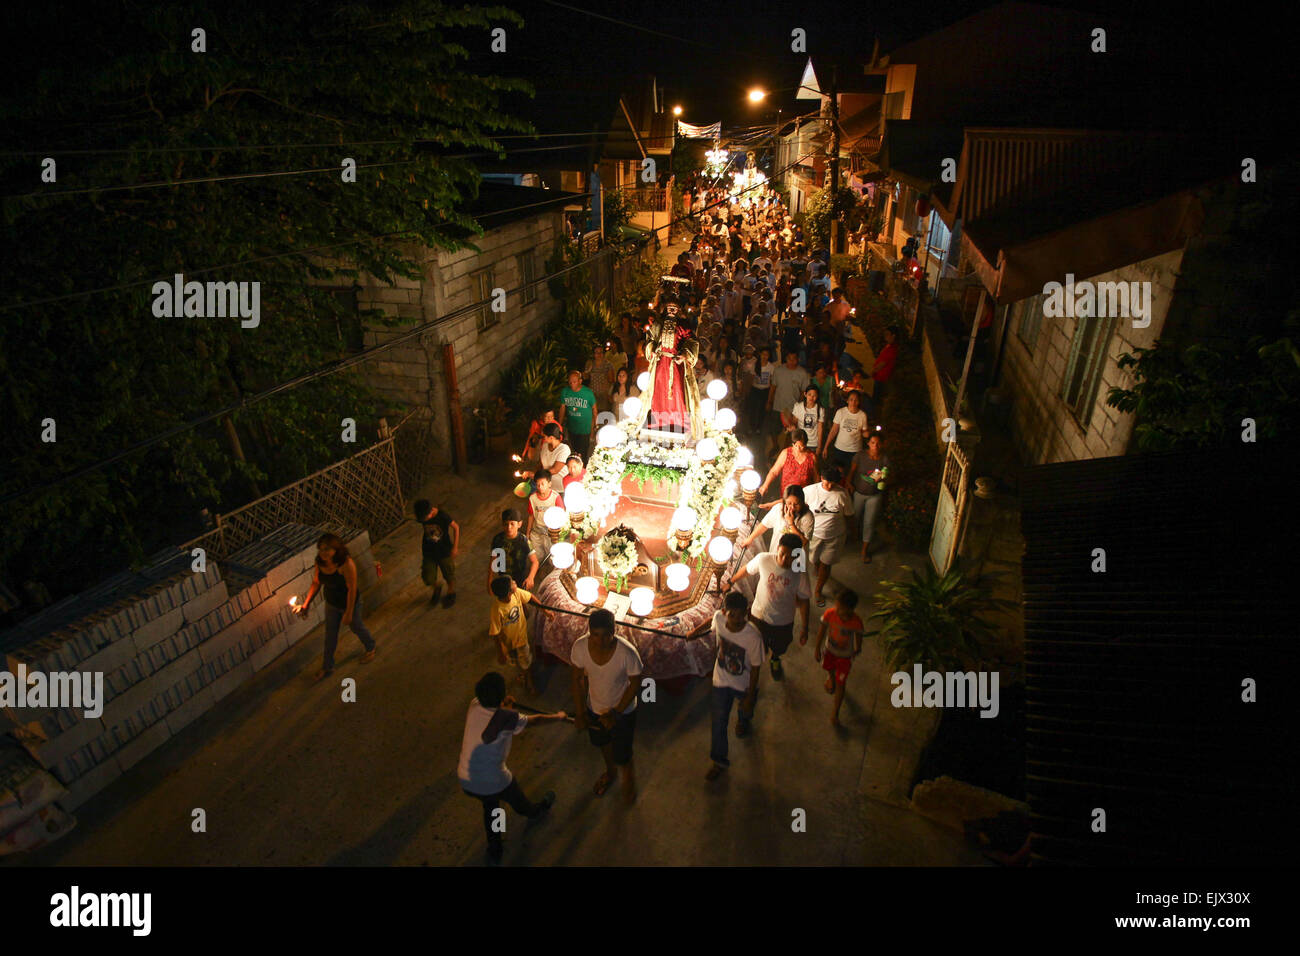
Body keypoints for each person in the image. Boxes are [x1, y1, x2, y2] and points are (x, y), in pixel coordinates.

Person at [457, 671, 567, 865]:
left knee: (491, 806)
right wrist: (558, 716)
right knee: (518, 802)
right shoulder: (510, 718)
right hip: (494, 780)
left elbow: (494, 717)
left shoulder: (474, 705)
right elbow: (537, 720)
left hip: (467, 778)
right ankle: (535, 812)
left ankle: (495, 847)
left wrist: (503, 704)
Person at [570, 609, 643, 804]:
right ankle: (611, 772)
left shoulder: (627, 653)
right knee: (603, 743)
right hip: (595, 708)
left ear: (615, 631)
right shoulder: (579, 648)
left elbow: (635, 683)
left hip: (623, 712)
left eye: (605, 636)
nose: (600, 641)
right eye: (595, 635)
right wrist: (580, 712)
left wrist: (616, 713)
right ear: (589, 632)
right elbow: (577, 679)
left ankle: (629, 779)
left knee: (623, 751)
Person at [724, 532, 810, 681]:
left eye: (790, 557)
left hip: (782, 622)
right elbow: (747, 570)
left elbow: (804, 601)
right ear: (778, 548)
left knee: (779, 647)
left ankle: (775, 659)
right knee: (756, 644)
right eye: (782, 553)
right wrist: (731, 581)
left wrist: (804, 627)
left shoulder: (800, 573)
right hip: (759, 616)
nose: (784, 559)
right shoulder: (764, 559)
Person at [296, 533, 376, 680]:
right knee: (330, 635)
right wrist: (306, 604)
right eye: (321, 549)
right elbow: (316, 582)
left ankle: (370, 646)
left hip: (350, 602)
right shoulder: (320, 562)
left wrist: (349, 612)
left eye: (327, 549)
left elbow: (352, 588)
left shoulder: (346, 564)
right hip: (332, 604)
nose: (323, 553)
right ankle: (327, 667)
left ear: (336, 549)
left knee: (356, 626)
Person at [706, 591, 764, 780]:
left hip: (744, 684)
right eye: (733, 615)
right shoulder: (719, 619)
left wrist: (749, 696)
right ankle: (719, 761)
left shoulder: (753, 636)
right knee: (719, 722)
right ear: (725, 612)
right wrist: (694, 631)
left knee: (745, 710)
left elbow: (755, 668)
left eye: (741, 616)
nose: (737, 620)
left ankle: (744, 720)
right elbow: (711, 623)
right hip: (721, 681)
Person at [489, 574, 554, 693]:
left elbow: (530, 598)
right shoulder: (497, 610)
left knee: (525, 660)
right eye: (512, 583)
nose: (515, 582)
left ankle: (528, 679)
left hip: (521, 639)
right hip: (509, 642)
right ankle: (524, 674)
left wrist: (545, 611)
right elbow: (495, 633)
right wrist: (501, 651)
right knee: (515, 660)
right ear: (508, 592)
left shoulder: (516, 593)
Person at [803, 464, 856, 608]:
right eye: (827, 481)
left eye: (832, 482)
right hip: (815, 535)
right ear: (821, 478)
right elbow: (798, 506)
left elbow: (849, 515)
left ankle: (818, 590)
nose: (829, 485)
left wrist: (853, 531)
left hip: (835, 536)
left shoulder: (842, 494)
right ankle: (818, 568)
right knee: (815, 560)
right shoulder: (809, 491)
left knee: (826, 565)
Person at [814, 589, 865, 727]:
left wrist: (857, 648)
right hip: (829, 651)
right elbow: (822, 631)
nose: (836, 609)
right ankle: (831, 678)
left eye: (840, 607)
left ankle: (835, 712)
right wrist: (817, 648)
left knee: (841, 684)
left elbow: (858, 635)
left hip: (845, 657)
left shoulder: (856, 622)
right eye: (836, 605)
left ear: (850, 609)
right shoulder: (830, 614)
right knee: (829, 668)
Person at [850, 432, 890, 563]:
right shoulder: (860, 456)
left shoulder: (884, 459)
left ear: (882, 444)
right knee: (855, 517)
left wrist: (883, 477)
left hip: (874, 496)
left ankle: (864, 550)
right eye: (873, 443)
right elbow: (852, 471)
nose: (875, 446)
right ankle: (855, 535)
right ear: (868, 443)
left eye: (878, 443)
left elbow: (886, 476)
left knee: (869, 522)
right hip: (859, 493)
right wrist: (849, 484)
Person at [413, 499, 459, 608]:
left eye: (426, 518)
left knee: (449, 573)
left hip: (444, 550)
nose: (425, 521)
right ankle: (437, 587)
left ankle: (451, 592)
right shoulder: (422, 517)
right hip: (429, 551)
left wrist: (455, 547)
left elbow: (456, 527)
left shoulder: (442, 516)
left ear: (430, 512)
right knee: (427, 576)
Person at [744, 484, 813, 557]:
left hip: (796, 559)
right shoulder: (778, 509)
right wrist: (750, 539)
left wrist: (791, 523)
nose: (792, 507)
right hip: (776, 554)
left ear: (802, 502)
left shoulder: (808, 517)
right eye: (789, 503)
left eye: (796, 504)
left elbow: (804, 542)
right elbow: (764, 525)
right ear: (784, 501)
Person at [758, 429, 819, 502]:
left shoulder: (812, 457)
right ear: (793, 444)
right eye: (796, 446)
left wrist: (816, 495)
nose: (798, 449)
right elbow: (774, 472)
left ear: (805, 444)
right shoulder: (786, 453)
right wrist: (765, 485)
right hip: (786, 495)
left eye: (801, 446)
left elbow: (816, 478)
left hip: (804, 497)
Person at [768, 350, 811, 449]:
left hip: (793, 409)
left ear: (798, 360)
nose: (792, 361)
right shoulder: (779, 370)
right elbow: (773, 387)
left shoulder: (802, 373)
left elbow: (803, 391)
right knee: (773, 429)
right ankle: (775, 446)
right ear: (786, 359)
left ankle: (785, 449)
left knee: (791, 431)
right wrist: (769, 401)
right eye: (789, 359)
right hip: (778, 406)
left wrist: (799, 407)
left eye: (794, 359)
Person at [488, 508, 538, 593]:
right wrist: (489, 580)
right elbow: (493, 560)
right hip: (504, 580)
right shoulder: (497, 540)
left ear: (519, 524)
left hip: (520, 580)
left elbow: (535, 562)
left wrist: (530, 577)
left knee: (521, 600)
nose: (509, 527)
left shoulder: (524, 541)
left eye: (512, 524)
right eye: (506, 524)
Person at [822, 390, 869, 468]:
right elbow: (834, 430)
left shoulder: (862, 415)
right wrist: (826, 446)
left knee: (851, 472)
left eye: (856, 400)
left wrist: (867, 434)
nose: (853, 402)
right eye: (851, 400)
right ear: (847, 400)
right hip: (840, 448)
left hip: (855, 450)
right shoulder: (841, 412)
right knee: (839, 471)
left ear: (859, 402)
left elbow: (864, 432)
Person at [559, 370, 597, 462]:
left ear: (580, 381)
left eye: (574, 381)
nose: (572, 384)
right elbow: (562, 408)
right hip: (572, 428)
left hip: (585, 429)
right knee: (574, 452)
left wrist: (593, 429)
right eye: (570, 382)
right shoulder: (565, 391)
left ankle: (582, 471)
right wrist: (559, 425)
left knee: (582, 454)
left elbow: (594, 410)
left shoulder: (588, 393)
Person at [524, 473, 564, 561]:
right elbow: (531, 516)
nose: (540, 487)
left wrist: (559, 533)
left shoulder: (555, 497)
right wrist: (528, 533)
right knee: (537, 558)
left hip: (551, 534)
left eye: (543, 484)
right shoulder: (532, 498)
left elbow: (562, 515)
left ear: (549, 484)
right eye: (538, 484)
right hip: (536, 532)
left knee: (552, 558)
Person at [789, 384, 827, 452]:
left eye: (814, 395)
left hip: (813, 443)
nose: (811, 397)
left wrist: (819, 446)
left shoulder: (820, 409)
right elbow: (794, 422)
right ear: (805, 394)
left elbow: (820, 429)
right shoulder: (798, 407)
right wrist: (792, 426)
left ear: (817, 396)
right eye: (809, 394)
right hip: (800, 442)